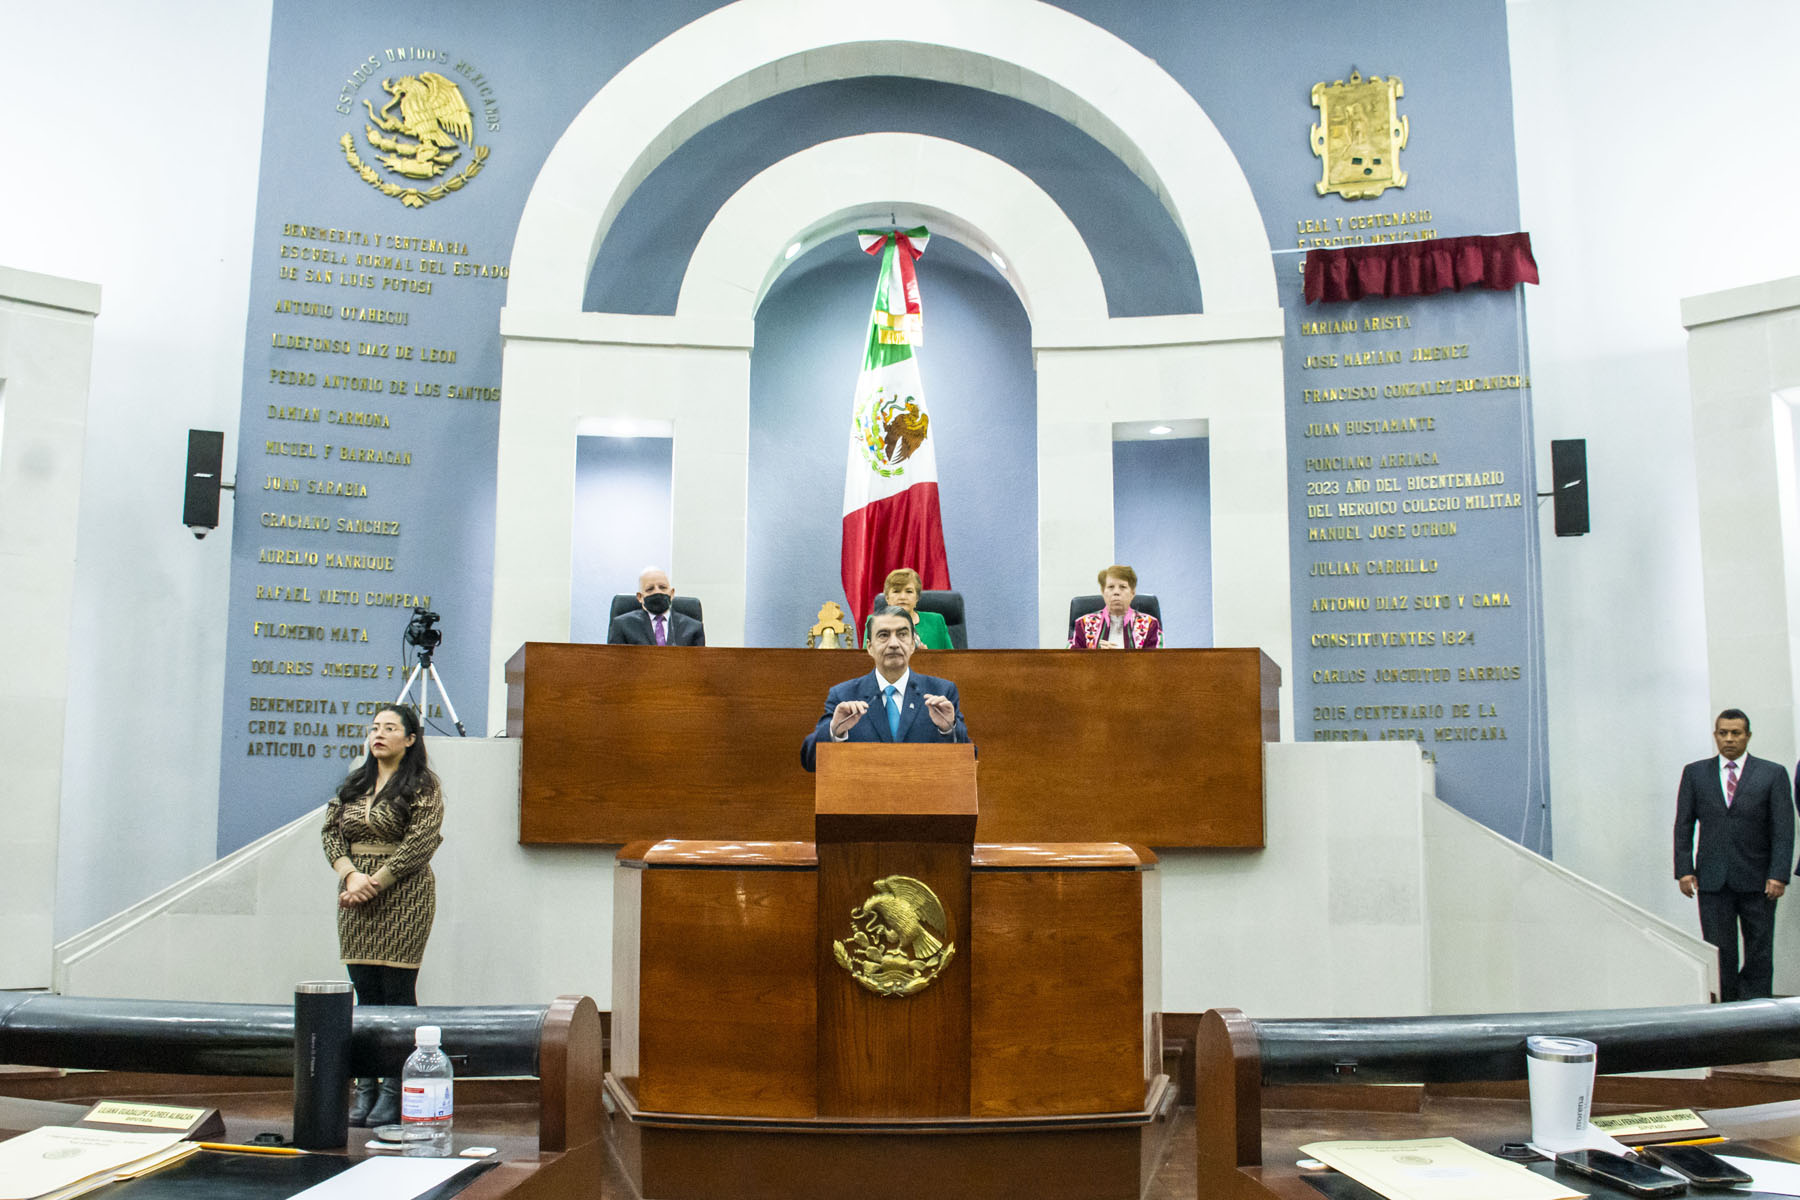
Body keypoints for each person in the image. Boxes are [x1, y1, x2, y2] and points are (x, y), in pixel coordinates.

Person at [321, 703, 445, 1126]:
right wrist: (351, 875)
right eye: (375, 727)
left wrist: (375, 882)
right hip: (354, 894)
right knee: (365, 995)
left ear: (409, 739)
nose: (379, 734)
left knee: (397, 996)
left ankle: (395, 1091)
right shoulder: (355, 782)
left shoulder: (423, 784)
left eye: (390, 728)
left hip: (405, 893)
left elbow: (421, 841)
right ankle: (366, 1090)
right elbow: (330, 833)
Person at [1674, 708, 1794, 1002]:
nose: (1729, 739)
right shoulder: (1695, 773)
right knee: (1719, 950)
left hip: (1759, 880)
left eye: (1736, 733)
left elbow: (1783, 829)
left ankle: (1756, 1009)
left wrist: (1778, 874)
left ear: (1747, 736)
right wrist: (1684, 869)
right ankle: (1725, 1010)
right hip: (1712, 879)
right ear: (1715, 735)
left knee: (1759, 949)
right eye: (1723, 733)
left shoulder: (1772, 773)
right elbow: (1684, 824)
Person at [802, 604, 970, 771]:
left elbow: (969, 758)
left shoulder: (941, 692)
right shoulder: (844, 696)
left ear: (913, 644)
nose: (894, 644)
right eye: (884, 635)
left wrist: (949, 729)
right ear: (869, 647)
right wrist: (834, 731)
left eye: (902, 634)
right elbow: (810, 761)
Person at [1069, 564, 1163, 650]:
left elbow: (1157, 660)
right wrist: (1098, 657)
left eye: (1122, 587)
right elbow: (1070, 659)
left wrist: (1120, 657)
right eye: (1111, 587)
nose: (1116, 592)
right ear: (1103, 592)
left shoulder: (1150, 624)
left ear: (1132, 593)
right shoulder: (1083, 624)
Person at [608, 566, 705, 646]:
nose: (657, 592)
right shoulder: (622, 625)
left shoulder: (693, 628)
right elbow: (614, 661)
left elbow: (699, 662)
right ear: (640, 597)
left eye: (662, 587)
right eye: (650, 589)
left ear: (672, 594)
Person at [862, 566, 953, 650]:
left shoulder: (936, 621)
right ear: (887, 598)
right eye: (896, 591)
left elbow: (951, 658)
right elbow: (867, 659)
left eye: (909, 591)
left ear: (917, 598)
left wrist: (926, 657)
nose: (903, 597)